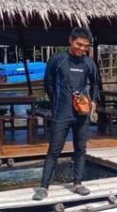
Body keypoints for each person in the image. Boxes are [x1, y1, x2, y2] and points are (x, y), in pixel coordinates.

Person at [32, 27, 100, 201]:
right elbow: (47, 83)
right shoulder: (58, 60)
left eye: (86, 46)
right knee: (54, 150)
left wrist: (92, 101)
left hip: (81, 114)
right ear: (70, 40)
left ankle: (77, 183)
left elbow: (96, 84)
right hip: (61, 112)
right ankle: (43, 187)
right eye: (79, 44)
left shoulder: (89, 63)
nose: (82, 49)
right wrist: (57, 100)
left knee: (80, 149)